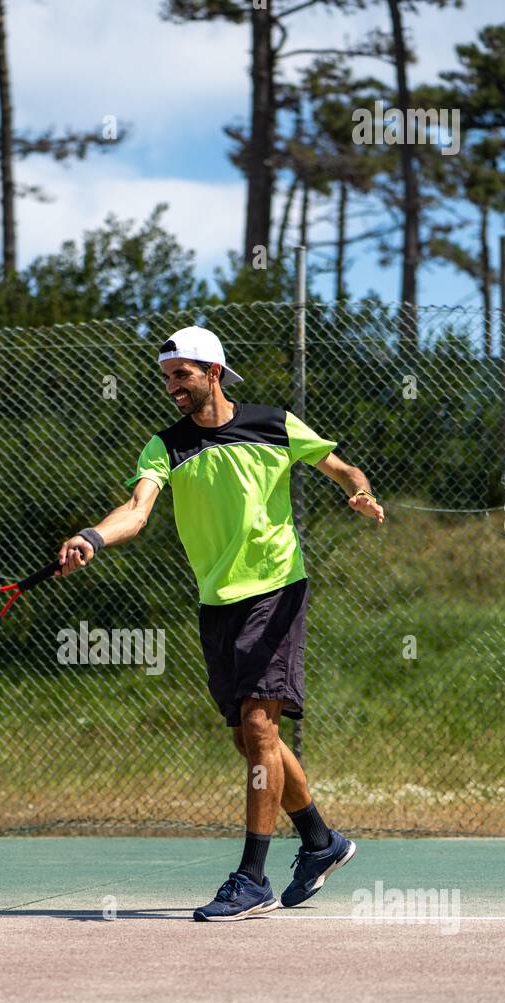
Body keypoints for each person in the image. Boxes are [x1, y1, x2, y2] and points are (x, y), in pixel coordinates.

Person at [57, 326, 385, 921]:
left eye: (181, 375)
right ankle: (319, 843)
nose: (171, 388)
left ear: (212, 371)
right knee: (247, 739)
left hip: (277, 587)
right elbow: (137, 510)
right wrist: (92, 537)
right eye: (166, 378)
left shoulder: (273, 424)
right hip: (217, 601)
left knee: (261, 729)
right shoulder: (166, 446)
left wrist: (358, 494)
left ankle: (251, 878)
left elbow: (343, 469)